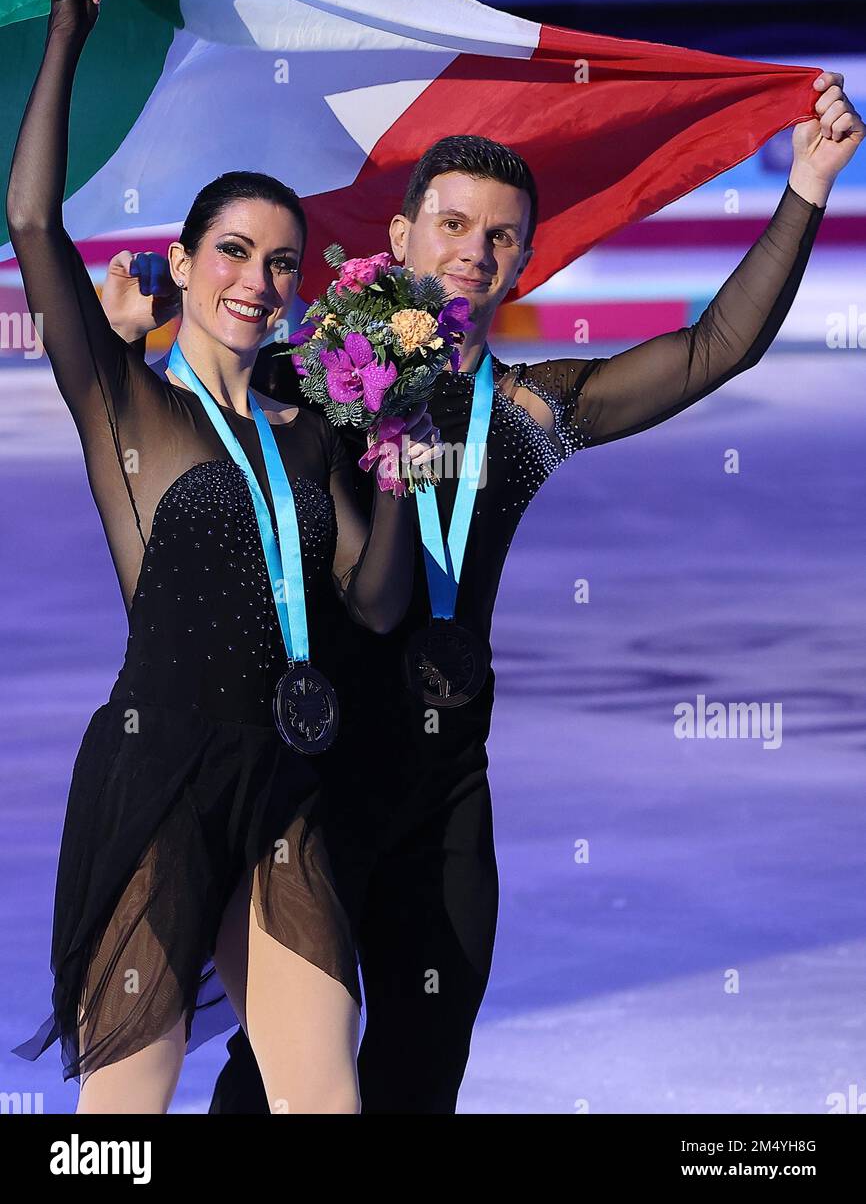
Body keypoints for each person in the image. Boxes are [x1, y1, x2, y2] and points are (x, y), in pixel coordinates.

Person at [105, 81, 862, 1112]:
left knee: (421, 1062)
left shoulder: (526, 412)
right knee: (283, 1075)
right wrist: (135, 326)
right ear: (401, 233)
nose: (472, 248)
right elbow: (183, 374)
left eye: (501, 236)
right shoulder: (310, 383)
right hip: (311, 788)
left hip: (443, 790)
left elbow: (706, 351)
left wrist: (807, 186)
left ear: (522, 259)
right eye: (452, 224)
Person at [7, 0, 437, 1115]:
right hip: (159, 779)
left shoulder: (305, 435)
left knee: (323, 1099)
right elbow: (34, 221)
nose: (259, 279)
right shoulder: (129, 402)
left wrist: (393, 459)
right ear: (186, 263)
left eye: (282, 262)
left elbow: (382, 602)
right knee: (122, 1125)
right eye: (235, 252)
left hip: (279, 783)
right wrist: (67, 33)